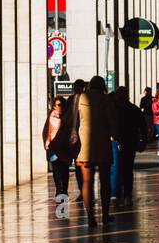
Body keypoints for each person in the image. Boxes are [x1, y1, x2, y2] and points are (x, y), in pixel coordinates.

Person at [72, 76, 116, 227]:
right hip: (103, 143)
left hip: (84, 145)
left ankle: (90, 217)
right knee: (105, 181)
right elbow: (112, 121)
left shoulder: (80, 98)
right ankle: (104, 215)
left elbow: (74, 121)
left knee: (87, 182)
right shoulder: (106, 100)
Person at [109, 86, 144, 207]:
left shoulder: (112, 109)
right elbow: (142, 126)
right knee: (127, 169)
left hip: (117, 142)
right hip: (129, 142)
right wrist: (142, 141)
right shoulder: (133, 109)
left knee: (116, 168)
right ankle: (126, 195)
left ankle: (116, 195)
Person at [42, 96, 73, 199]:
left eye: (62, 104)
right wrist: (47, 143)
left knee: (64, 169)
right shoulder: (51, 116)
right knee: (56, 169)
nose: (60, 107)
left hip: (64, 147)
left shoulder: (67, 116)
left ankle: (64, 189)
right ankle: (59, 190)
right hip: (54, 146)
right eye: (58, 105)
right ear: (54, 106)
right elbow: (46, 131)